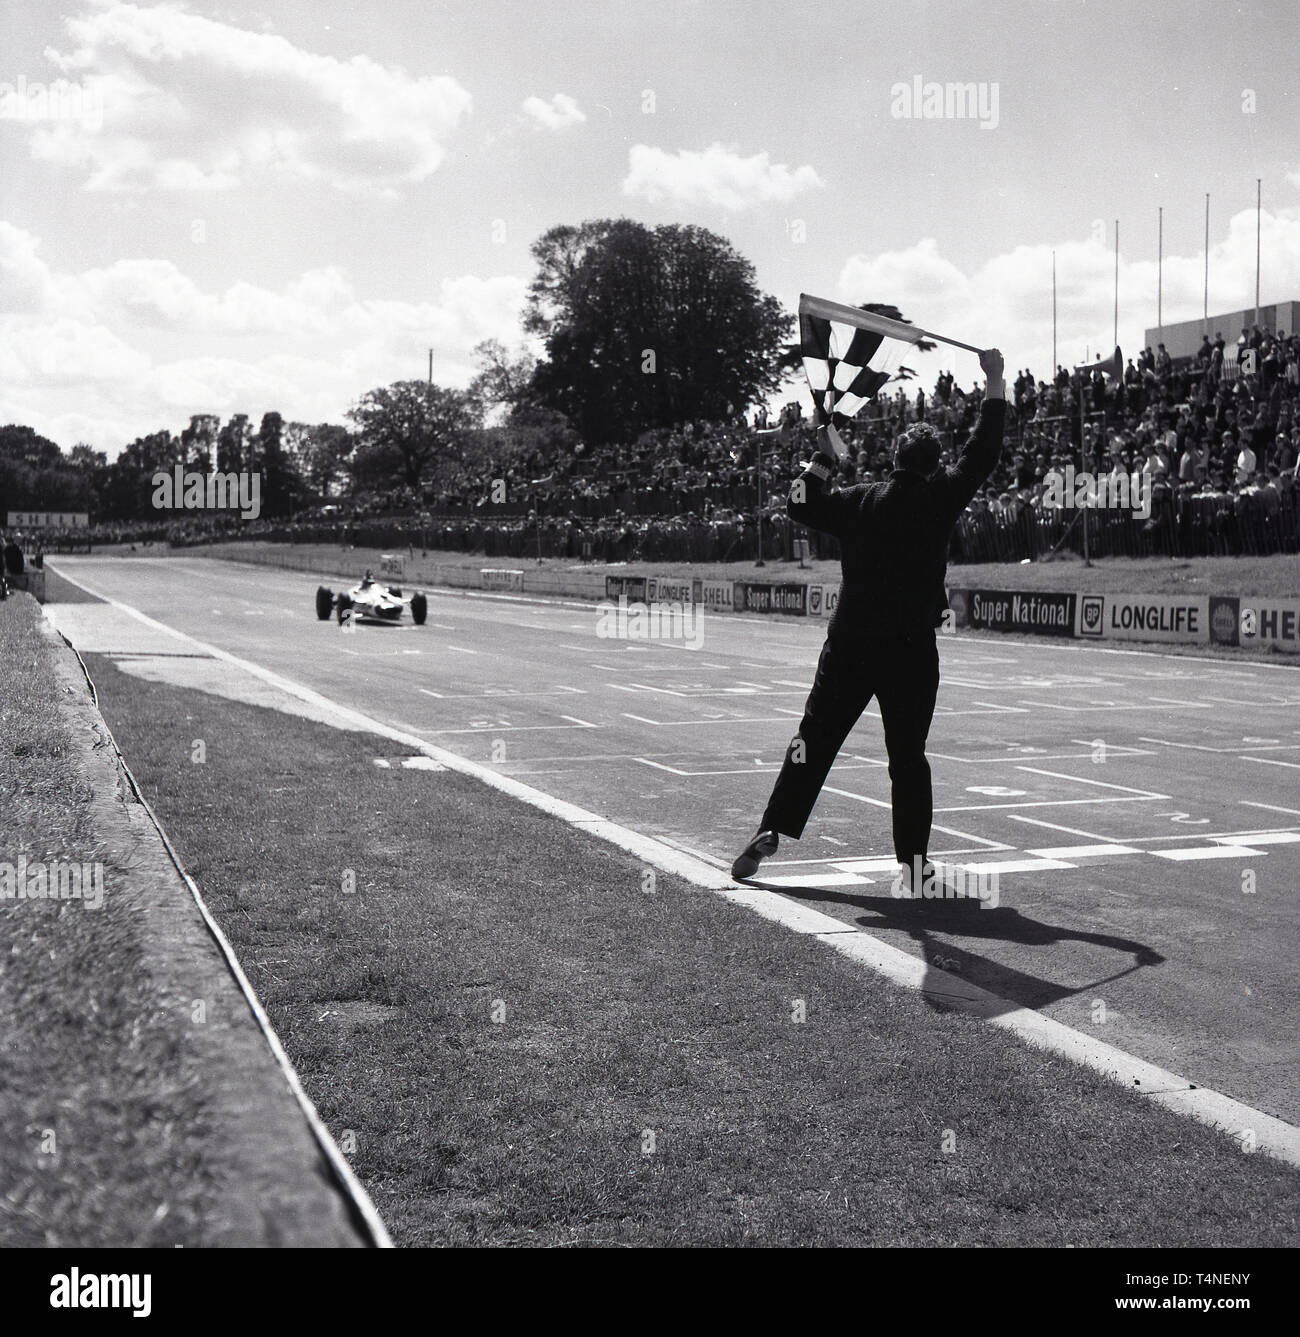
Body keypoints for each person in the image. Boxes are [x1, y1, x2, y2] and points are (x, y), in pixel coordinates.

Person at [730, 346, 1006, 886]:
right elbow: (983, 452)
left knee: (814, 736)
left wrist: (825, 456)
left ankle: (773, 828)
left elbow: (800, 503)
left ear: (897, 461)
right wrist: (994, 382)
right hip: (908, 649)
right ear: (933, 466)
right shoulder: (940, 498)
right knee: (908, 759)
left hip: (850, 645)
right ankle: (914, 865)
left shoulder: (861, 500)